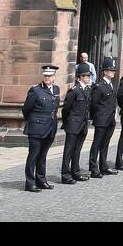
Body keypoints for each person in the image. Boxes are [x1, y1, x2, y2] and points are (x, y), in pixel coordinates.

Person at [21, 64, 60, 193]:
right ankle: (30, 182)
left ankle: (41, 180)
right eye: (46, 76)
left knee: (43, 155)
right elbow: (26, 109)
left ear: (54, 77)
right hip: (37, 128)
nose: (47, 78)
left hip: (50, 127)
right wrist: (33, 121)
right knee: (33, 156)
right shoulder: (36, 90)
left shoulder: (56, 89)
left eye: (50, 76)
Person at [60, 62, 92, 183]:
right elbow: (66, 109)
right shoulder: (74, 90)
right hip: (73, 124)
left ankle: (76, 172)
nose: (88, 78)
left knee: (77, 150)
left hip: (83, 125)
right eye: (86, 76)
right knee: (68, 150)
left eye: (89, 76)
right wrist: (67, 122)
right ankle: (65, 174)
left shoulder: (88, 90)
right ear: (80, 77)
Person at [88, 56, 117, 177]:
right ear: (104, 71)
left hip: (110, 119)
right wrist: (97, 117)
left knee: (105, 144)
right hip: (101, 119)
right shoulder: (99, 86)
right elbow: (93, 104)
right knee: (97, 143)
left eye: (114, 70)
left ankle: (103, 166)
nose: (113, 72)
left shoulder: (110, 85)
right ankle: (94, 168)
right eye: (110, 70)